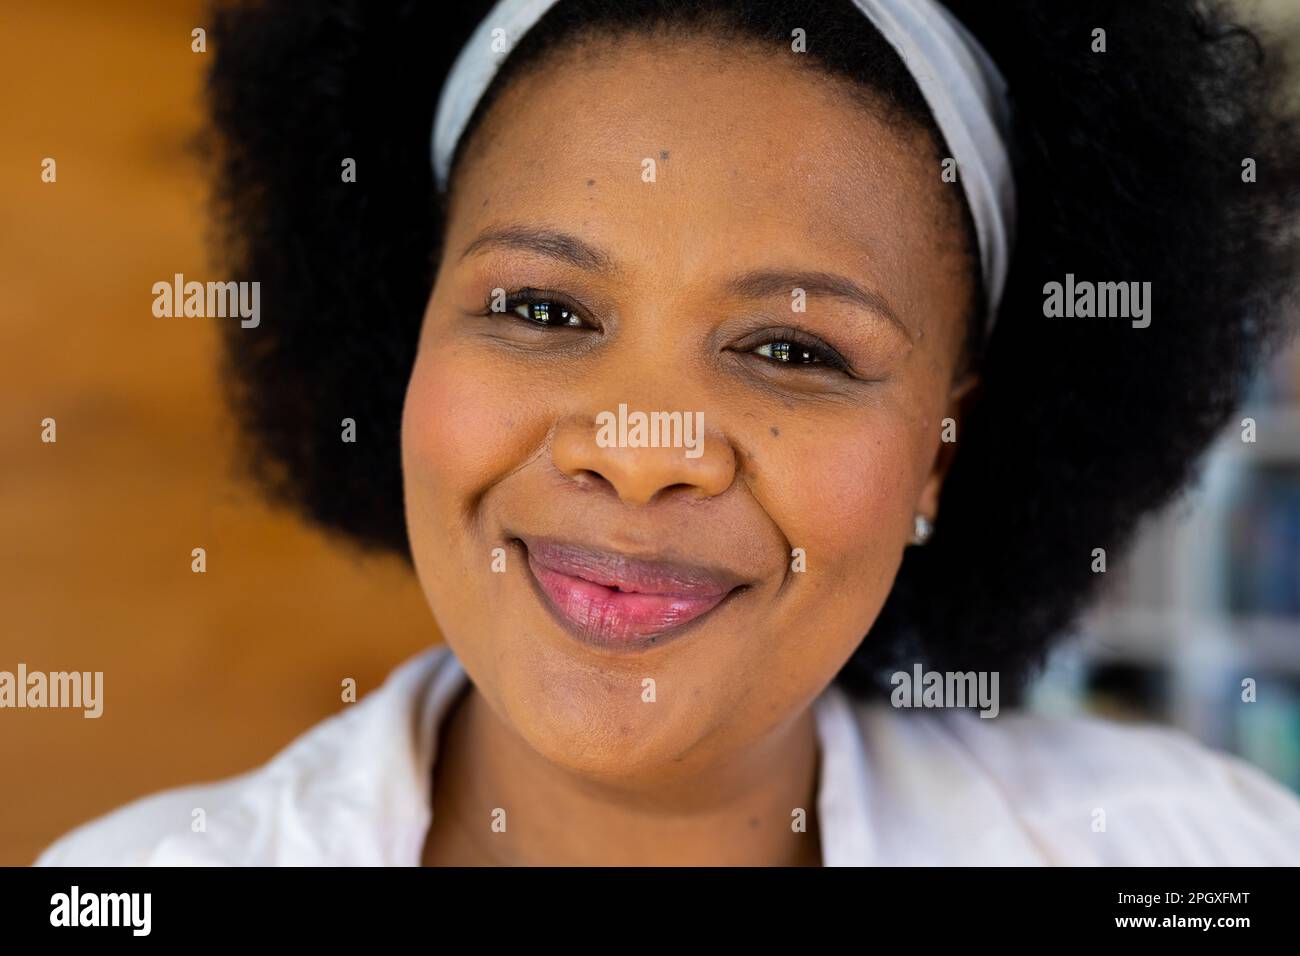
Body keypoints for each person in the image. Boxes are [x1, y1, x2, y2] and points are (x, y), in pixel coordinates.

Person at [37, 0, 1300, 865]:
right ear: (398, 328)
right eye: (540, 307)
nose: (639, 447)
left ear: (939, 452)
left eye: (792, 349)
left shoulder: (1186, 853)